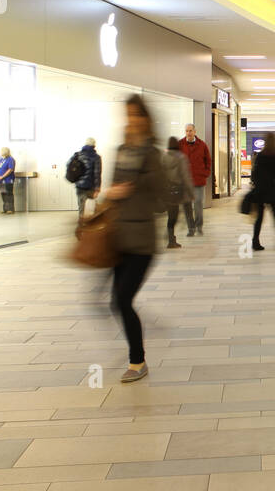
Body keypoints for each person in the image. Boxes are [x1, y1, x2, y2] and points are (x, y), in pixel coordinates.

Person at [104, 95, 168, 383]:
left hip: (142, 239)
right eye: (127, 114)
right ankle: (137, 355)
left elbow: (161, 198)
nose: (131, 120)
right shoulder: (121, 150)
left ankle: (137, 361)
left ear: (146, 119)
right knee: (116, 301)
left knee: (123, 299)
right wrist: (112, 193)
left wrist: (133, 186)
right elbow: (113, 186)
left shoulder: (152, 154)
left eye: (136, 115)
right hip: (117, 235)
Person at [249, 134, 275, 251]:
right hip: (271, 190)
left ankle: (255, 241)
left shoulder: (260, 155)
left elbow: (255, 173)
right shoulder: (274, 155)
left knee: (259, 217)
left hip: (260, 190)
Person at [178, 123, 211, 236]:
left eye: (191, 130)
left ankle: (199, 226)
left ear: (195, 131)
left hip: (198, 180)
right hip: (185, 182)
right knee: (187, 206)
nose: (189, 133)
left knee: (197, 204)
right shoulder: (180, 144)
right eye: (187, 131)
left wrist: (205, 173)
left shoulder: (202, 145)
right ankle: (191, 228)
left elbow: (208, 161)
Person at [163, 137, 194, 249]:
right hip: (178, 190)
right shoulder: (181, 158)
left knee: (171, 215)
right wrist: (191, 193)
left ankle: (171, 238)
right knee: (176, 215)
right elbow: (186, 177)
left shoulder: (164, 157)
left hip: (166, 190)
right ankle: (171, 240)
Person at [69, 139, 102, 218]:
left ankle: (81, 224)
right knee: (91, 209)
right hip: (91, 186)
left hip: (79, 186)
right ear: (94, 145)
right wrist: (98, 188)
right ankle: (90, 225)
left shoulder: (78, 155)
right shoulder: (96, 157)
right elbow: (97, 173)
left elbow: (69, 165)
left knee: (81, 208)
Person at [0, 147, 16, 214]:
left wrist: (2, 176)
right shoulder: (1, 159)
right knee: (3, 194)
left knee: (9, 194)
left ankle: (10, 209)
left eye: (2, 150)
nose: (1, 152)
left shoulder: (10, 159)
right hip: (1, 180)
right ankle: (5, 209)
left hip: (8, 180)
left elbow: (10, 169)